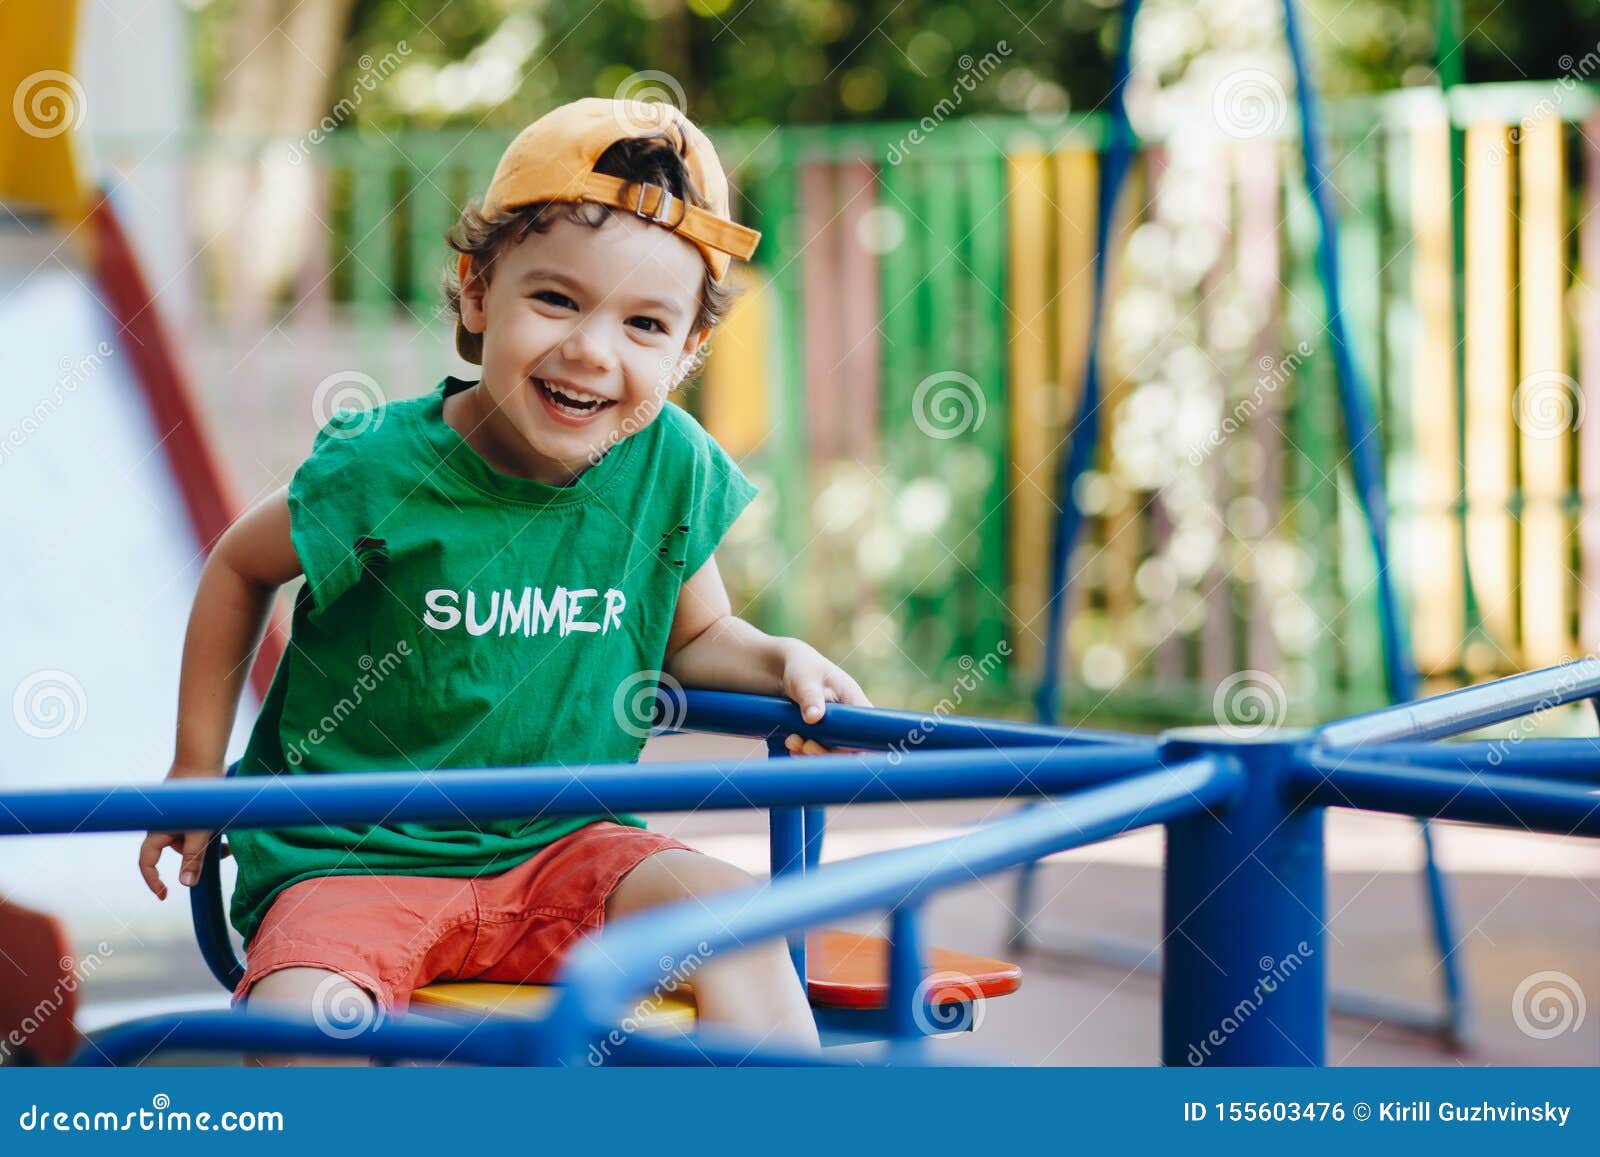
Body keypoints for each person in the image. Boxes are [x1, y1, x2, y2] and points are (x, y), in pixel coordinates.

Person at [136, 98, 869, 1063]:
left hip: (567, 850)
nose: (593, 350)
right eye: (557, 300)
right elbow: (238, 565)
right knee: (303, 1014)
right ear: (478, 295)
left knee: (736, 916)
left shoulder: (670, 467)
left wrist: (780, 660)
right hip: (355, 859)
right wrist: (196, 771)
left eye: (646, 323)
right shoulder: (380, 470)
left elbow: (695, 636)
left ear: (688, 353)